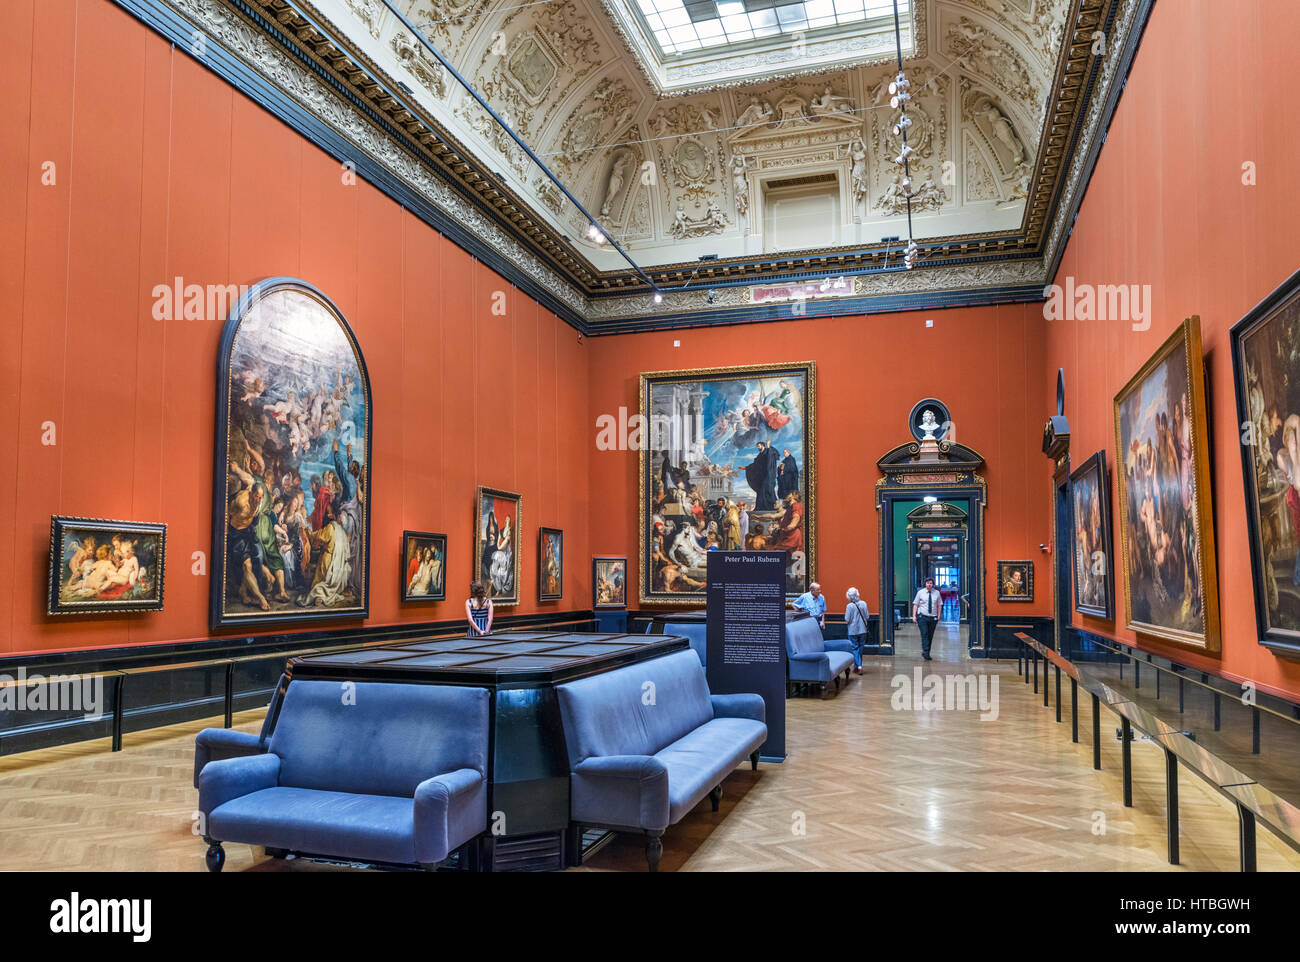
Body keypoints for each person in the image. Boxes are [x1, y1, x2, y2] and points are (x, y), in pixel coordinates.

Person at [912, 577, 941, 661]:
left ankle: (927, 651)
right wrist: (914, 616)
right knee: (924, 634)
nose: (929, 584)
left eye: (931, 583)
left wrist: (939, 615)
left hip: (933, 617)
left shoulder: (937, 593)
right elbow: (915, 604)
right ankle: (926, 652)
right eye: (928, 583)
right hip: (922, 617)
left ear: (933, 584)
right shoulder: (920, 593)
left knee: (930, 635)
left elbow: (939, 605)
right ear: (925, 584)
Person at [844, 587, 870, 674]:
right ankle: (856, 668)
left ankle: (859, 666)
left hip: (853, 631)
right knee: (860, 649)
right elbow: (867, 617)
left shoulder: (849, 606)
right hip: (863, 630)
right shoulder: (864, 603)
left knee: (854, 648)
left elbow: (847, 620)